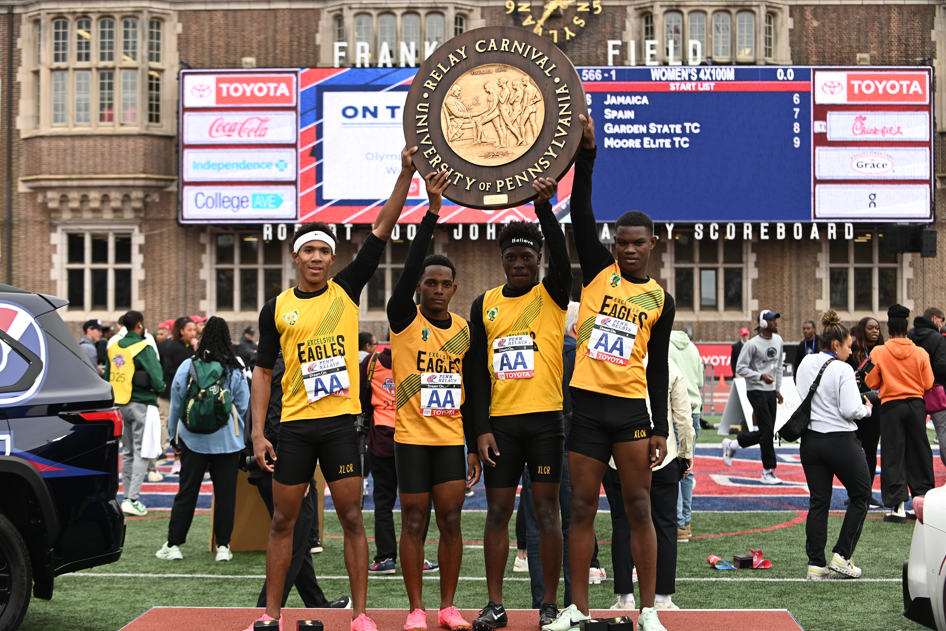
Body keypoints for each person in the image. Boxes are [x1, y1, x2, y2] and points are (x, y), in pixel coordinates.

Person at [246, 146, 413, 631]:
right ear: (296, 257)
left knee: (351, 521)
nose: (316, 257)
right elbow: (262, 372)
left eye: (324, 250)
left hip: (341, 426)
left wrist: (404, 173)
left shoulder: (346, 289)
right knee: (283, 522)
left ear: (332, 257)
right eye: (309, 251)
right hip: (295, 428)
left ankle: (361, 615)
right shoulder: (276, 308)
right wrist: (258, 434)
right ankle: (271, 615)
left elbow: (382, 228)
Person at [544, 114, 674, 631]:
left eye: (637, 242)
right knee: (579, 508)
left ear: (652, 244)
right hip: (587, 411)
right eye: (621, 241)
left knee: (639, 507)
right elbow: (579, 213)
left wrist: (660, 425)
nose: (628, 248)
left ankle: (647, 610)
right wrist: (588, 156)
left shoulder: (661, 300)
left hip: (630, 412)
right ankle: (577, 607)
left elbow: (659, 364)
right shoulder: (599, 272)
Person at [467, 174, 572, 627]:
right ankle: (495, 604)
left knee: (548, 512)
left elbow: (564, 260)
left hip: (547, 421)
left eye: (527, 257)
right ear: (502, 260)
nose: (519, 264)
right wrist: (479, 432)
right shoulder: (484, 304)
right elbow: (473, 373)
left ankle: (549, 603)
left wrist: (544, 208)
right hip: (501, 426)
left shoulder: (552, 294)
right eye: (511, 257)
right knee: (497, 513)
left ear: (538, 259)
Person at [386, 168, 479, 631]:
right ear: (420, 289)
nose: (438, 290)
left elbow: (474, 390)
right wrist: (432, 211)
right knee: (414, 522)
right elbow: (407, 271)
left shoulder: (463, 331)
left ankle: (446, 607)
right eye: (431, 284)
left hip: (450, 440)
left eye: (445, 285)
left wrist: (477, 439)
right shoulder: (402, 320)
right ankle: (416, 610)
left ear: (454, 290)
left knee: (451, 521)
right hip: (411, 439)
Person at [247, 352, 351, 610]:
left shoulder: (274, 365)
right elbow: (277, 418)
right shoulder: (286, 366)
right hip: (283, 464)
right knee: (292, 542)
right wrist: (295, 471)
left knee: (298, 539)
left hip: (274, 462)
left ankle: (316, 603)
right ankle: (265, 612)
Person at [157, 316, 250, 562]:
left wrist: (172, 435)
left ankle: (173, 544)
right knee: (226, 494)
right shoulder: (235, 366)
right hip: (228, 441)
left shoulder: (188, 365)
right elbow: (242, 404)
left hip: (193, 438)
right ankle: (223, 546)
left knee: (187, 491)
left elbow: (177, 403)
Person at [607, 356, 694, 611]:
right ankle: (663, 597)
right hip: (663, 456)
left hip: (621, 456)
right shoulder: (669, 365)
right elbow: (683, 415)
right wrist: (686, 452)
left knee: (623, 525)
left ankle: (625, 596)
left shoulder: (615, 359)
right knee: (665, 526)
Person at [796, 310, 873, 581]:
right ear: (836, 344)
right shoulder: (842, 368)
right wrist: (868, 409)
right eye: (850, 346)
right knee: (861, 494)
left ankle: (815, 564)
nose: (852, 352)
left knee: (819, 502)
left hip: (811, 441)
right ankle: (842, 555)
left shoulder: (805, 362)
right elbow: (850, 409)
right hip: (840, 439)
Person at [521, 301, 581, 609]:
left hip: (538, 445)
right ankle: (573, 603)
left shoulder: (540, 353)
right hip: (572, 448)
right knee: (573, 527)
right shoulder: (579, 355)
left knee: (537, 526)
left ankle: (543, 602)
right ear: (575, 326)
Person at [360, 344, 435, 575]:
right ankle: (417, 555)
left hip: (382, 438)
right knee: (419, 501)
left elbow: (363, 401)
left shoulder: (371, 362)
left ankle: (385, 558)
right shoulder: (420, 359)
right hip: (413, 439)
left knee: (383, 501)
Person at [866, 304, 936, 523]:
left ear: (889, 330)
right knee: (919, 453)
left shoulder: (878, 351)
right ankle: (921, 504)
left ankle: (897, 508)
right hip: (916, 406)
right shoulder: (921, 352)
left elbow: (871, 381)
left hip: (891, 407)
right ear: (907, 329)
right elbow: (929, 383)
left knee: (893, 455)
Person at [104, 310, 166, 517]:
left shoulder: (113, 347)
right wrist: (160, 387)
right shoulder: (143, 346)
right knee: (142, 451)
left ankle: (126, 497)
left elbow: (107, 375)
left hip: (119, 403)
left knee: (128, 452)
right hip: (142, 403)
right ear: (139, 324)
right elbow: (157, 378)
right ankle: (133, 498)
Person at [724, 310, 784, 485]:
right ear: (763, 323)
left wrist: (777, 389)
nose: (775, 322)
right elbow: (741, 368)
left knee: (767, 432)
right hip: (756, 390)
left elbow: (779, 366)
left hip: (771, 391)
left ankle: (733, 445)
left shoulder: (778, 340)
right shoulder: (751, 344)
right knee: (766, 431)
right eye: (772, 320)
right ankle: (767, 472)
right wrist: (760, 376)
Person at [668, 329, 702, 543]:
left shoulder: (666, 347)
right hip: (695, 411)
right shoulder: (693, 348)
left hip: (675, 410)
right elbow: (699, 382)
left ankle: (679, 523)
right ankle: (686, 523)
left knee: (673, 469)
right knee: (687, 469)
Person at [849, 317, 884, 505]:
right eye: (870, 328)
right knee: (853, 449)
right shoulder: (852, 351)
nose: (875, 331)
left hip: (876, 405)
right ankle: (854, 492)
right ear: (863, 330)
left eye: (877, 328)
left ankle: (867, 493)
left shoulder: (883, 350)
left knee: (870, 449)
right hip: (854, 404)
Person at [909, 307, 946, 466]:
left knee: (915, 433)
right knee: (942, 431)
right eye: (942, 319)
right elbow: (941, 367)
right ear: (934, 319)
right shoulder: (937, 338)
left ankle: (918, 468)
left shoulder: (909, 336)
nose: (942, 323)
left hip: (911, 390)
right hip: (934, 389)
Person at [161, 317, 197, 476]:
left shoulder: (196, 347)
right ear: (181, 331)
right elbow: (167, 369)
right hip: (174, 391)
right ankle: (176, 459)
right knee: (175, 423)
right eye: (189, 330)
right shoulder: (171, 346)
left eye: (194, 330)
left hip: (194, 393)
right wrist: (183, 372)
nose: (193, 333)